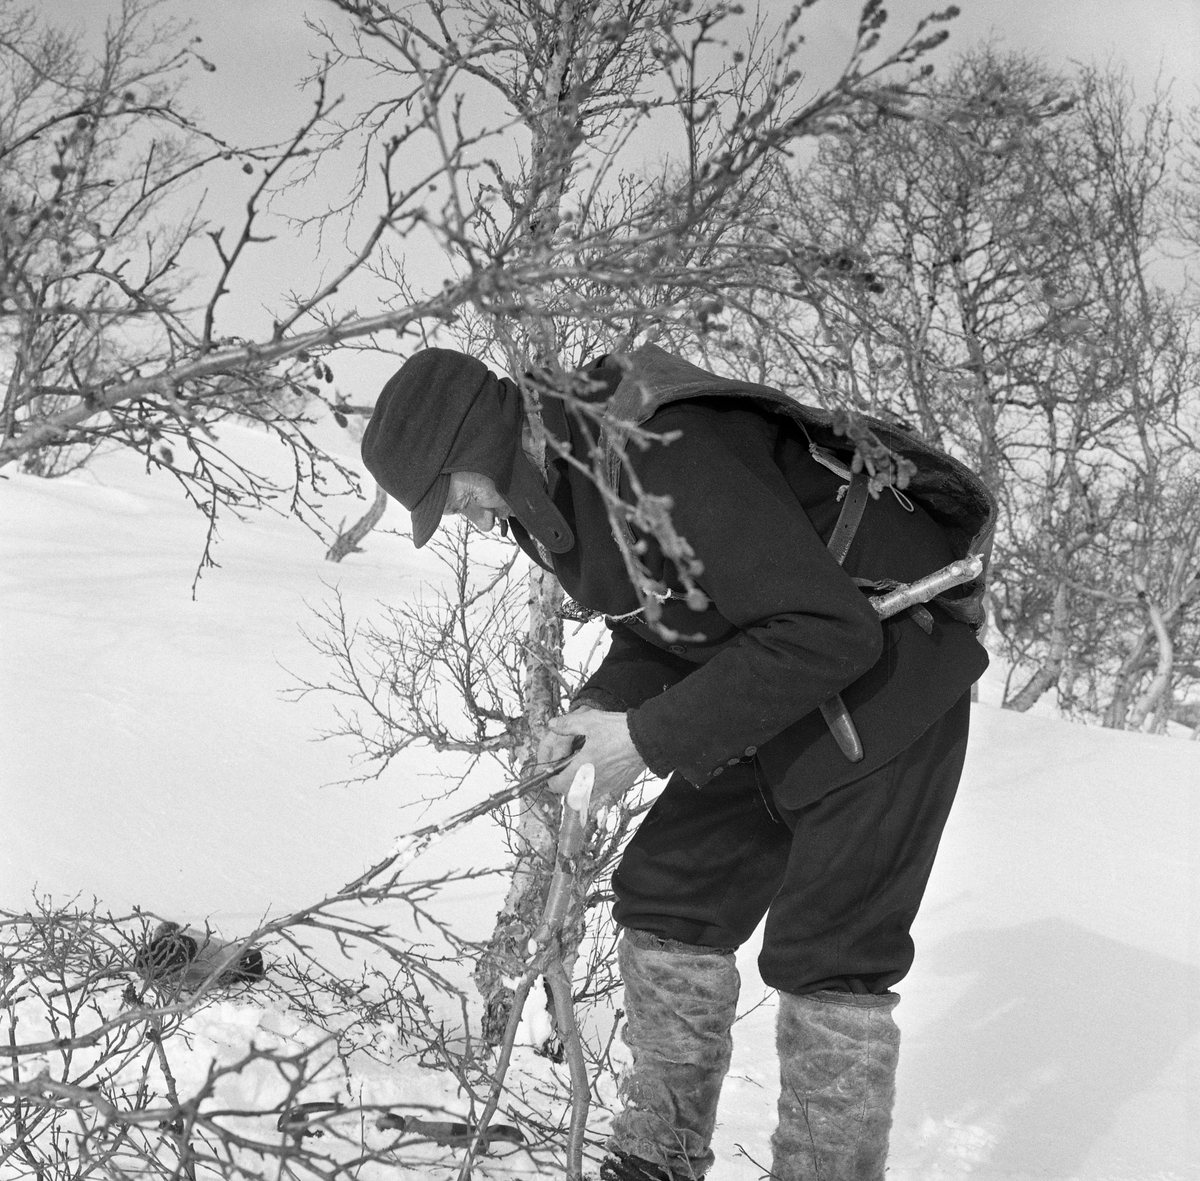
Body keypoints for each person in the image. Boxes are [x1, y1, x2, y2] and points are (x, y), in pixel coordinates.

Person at [360, 345, 992, 1181]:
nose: (470, 520)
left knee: (829, 953)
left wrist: (647, 740)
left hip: (891, 680)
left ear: (481, 444)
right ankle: (658, 1159)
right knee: (669, 892)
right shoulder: (555, 494)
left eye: (455, 494)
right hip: (768, 675)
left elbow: (829, 629)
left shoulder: (667, 453)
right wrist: (602, 712)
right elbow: (661, 625)